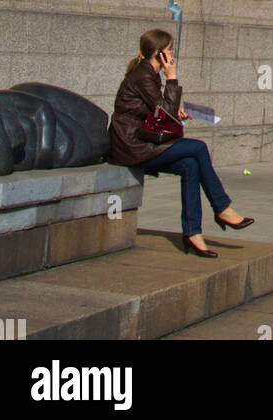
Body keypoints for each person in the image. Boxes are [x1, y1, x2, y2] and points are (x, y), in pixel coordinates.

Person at [108, 29, 254, 257]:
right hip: (132, 146)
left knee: (190, 165)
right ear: (159, 54)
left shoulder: (150, 75)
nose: (173, 55)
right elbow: (163, 112)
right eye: (170, 50)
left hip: (140, 141)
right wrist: (172, 77)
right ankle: (222, 208)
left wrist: (177, 111)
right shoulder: (143, 76)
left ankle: (192, 233)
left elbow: (158, 110)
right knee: (198, 147)